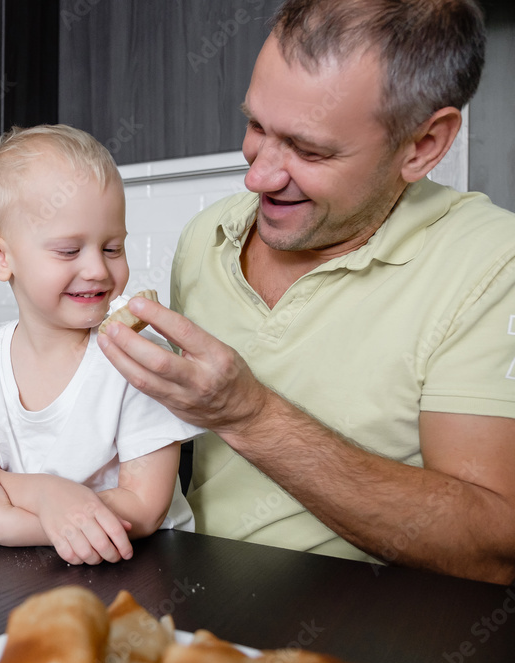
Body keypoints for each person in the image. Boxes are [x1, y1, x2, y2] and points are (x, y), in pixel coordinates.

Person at [98, 0, 515, 584]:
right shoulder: (206, 237)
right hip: (192, 603)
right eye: (255, 126)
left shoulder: (494, 264)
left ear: (423, 145)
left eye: (310, 150)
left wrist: (249, 415)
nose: (257, 176)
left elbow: (495, 546)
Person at [0, 125, 204, 566]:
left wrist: (13, 524)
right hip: (37, 571)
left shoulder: (139, 360)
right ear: (0, 258)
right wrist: (50, 494)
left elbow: (144, 509)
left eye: (112, 247)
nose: (97, 270)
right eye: (69, 251)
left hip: (148, 564)